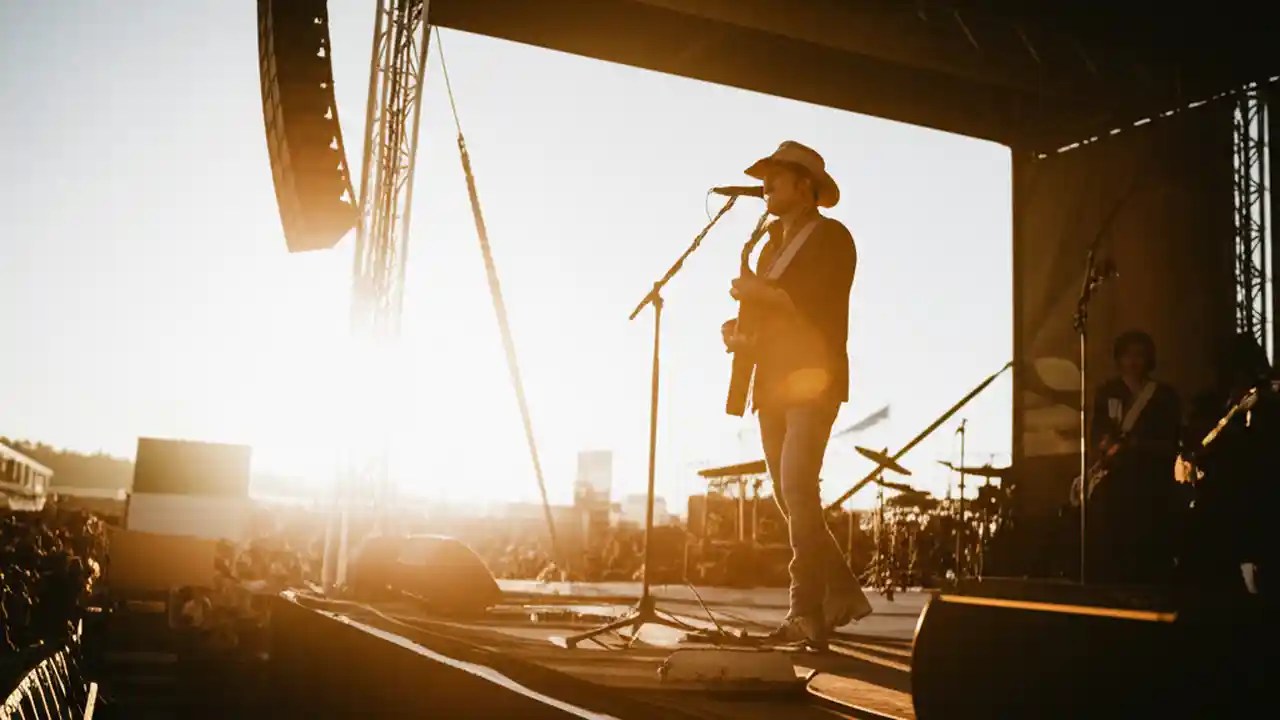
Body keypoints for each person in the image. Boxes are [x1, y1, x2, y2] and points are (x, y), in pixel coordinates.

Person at [721, 141, 871, 647]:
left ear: (805, 186)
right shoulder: (767, 247)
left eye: (775, 177)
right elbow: (771, 316)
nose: (766, 185)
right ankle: (843, 593)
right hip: (770, 383)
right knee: (791, 499)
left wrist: (759, 295)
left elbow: (814, 307)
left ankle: (804, 611)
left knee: (798, 490)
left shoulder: (833, 238)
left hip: (814, 379)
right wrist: (740, 332)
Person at [1083, 330, 1181, 584]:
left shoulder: (1163, 396)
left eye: (1140, 355)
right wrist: (1107, 446)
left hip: (1151, 483)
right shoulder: (1108, 392)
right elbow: (1097, 433)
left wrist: (1139, 445)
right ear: (1119, 359)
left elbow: (1171, 439)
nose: (1134, 361)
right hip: (1116, 480)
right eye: (1128, 355)